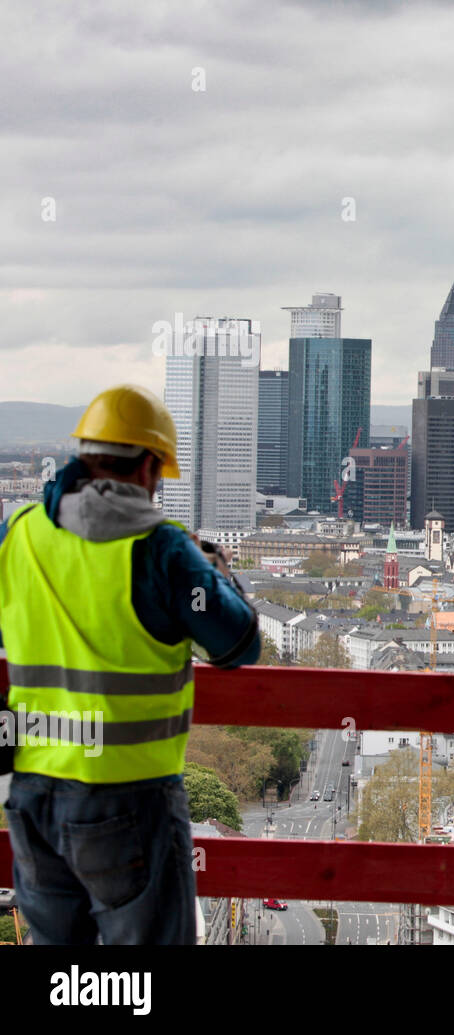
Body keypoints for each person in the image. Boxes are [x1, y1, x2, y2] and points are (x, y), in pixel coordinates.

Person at [0, 384, 259, 945]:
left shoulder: (18, 534)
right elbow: (238, 644)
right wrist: (213, 570)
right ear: (147, 466)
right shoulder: (163, 549)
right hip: (129, 797)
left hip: (34, 794)